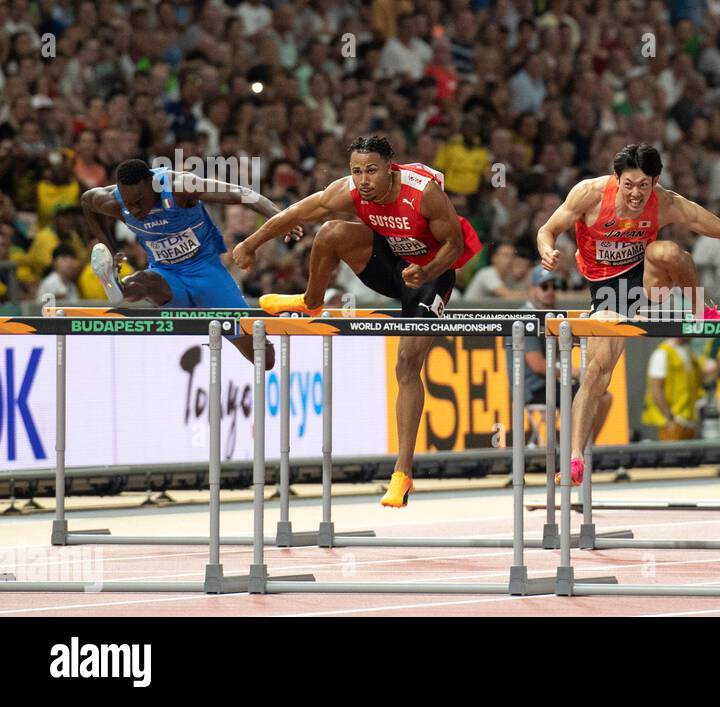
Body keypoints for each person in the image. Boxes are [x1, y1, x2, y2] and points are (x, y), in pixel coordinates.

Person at [231, 135, 483, 509]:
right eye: (356, 171)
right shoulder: (348, 191)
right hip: (387, 262)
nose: (363, 180)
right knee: (331, 231)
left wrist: (426, 270)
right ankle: (310, 301)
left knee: (407, 362)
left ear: (390, 169)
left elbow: (456, 246)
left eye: (371, 171)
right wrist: (251, 243)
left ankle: (402, 474)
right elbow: (298, 212)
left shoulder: (424, 193)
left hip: (431, 272)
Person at [536, 143, 720, 484]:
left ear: (655, 181)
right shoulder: (589, 194)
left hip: (647, 278)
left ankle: (703, 311)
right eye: (628, 185)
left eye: (644, 185)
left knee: (670, 251)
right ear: (616, 178)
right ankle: (573, 459)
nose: (635, 194)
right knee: (597, 371)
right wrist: (547, 251)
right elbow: (546, 230)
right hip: (609, 291)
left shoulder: (667, 203)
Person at [80, 159, 298, 366]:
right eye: (129, 205)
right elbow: (87, 202)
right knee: (145, 281)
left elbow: (240, 192)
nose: (135, 211)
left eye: (138, 202)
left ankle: (226, 322)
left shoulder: (179, 187)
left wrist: (282, 218)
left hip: (207, 273)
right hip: (166, 275)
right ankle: (118, 286)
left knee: (265, 358)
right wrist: (109, 246)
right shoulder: (113, 201)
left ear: (152, 185)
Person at [520, 265, 610, 439]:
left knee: (601, 394)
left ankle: (578, 447)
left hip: (550, 382)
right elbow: (538, 366)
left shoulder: (552, 316)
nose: (551, 291)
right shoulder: (526, 316)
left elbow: (558, 358)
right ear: (532, 289)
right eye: (545, 286)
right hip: (534, 388)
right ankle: (578, 448)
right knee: (597, 396)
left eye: (555, 286)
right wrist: (574, 372)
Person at [642, 338, 704, 440]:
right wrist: (670, 418)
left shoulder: (688, 352)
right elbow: (656, 390)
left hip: (689, 420)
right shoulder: (662, 353)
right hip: (673, 422)